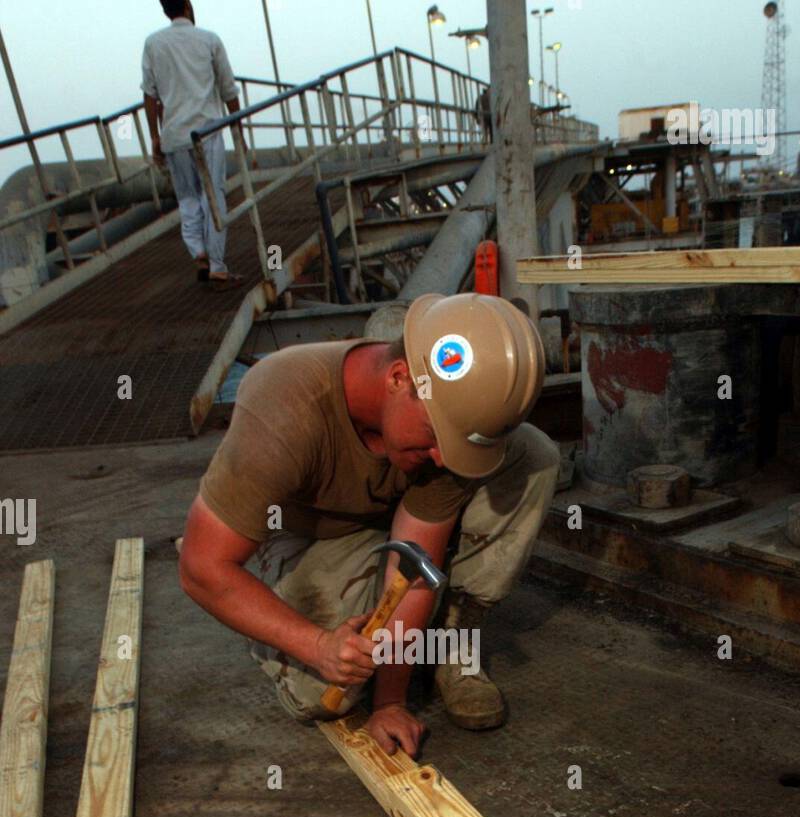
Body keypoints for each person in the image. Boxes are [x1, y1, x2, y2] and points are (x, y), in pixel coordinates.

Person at [178, 293, 560, 757]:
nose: (444, 459)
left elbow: (415, 567)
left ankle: (454, 639)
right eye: (438, 439)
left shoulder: (442, 425)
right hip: (314, 531)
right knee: (321, 695)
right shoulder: (285, 409)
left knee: (532, 454)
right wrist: (316, 645)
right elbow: (201, 567)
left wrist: (391, 703)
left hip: (392, 520)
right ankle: (296, 611)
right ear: (400, 377)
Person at [142, 0, 243, 289]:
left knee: (188, 198)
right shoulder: (209, 40)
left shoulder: (153, 43)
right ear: (187, 6)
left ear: (165, 10)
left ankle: (198, 251)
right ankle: (217, 266)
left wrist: (155, 136)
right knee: (213, 196)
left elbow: (150, 95)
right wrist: (239, 131)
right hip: (207, 133)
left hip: (174, 136)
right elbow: (228, 89)